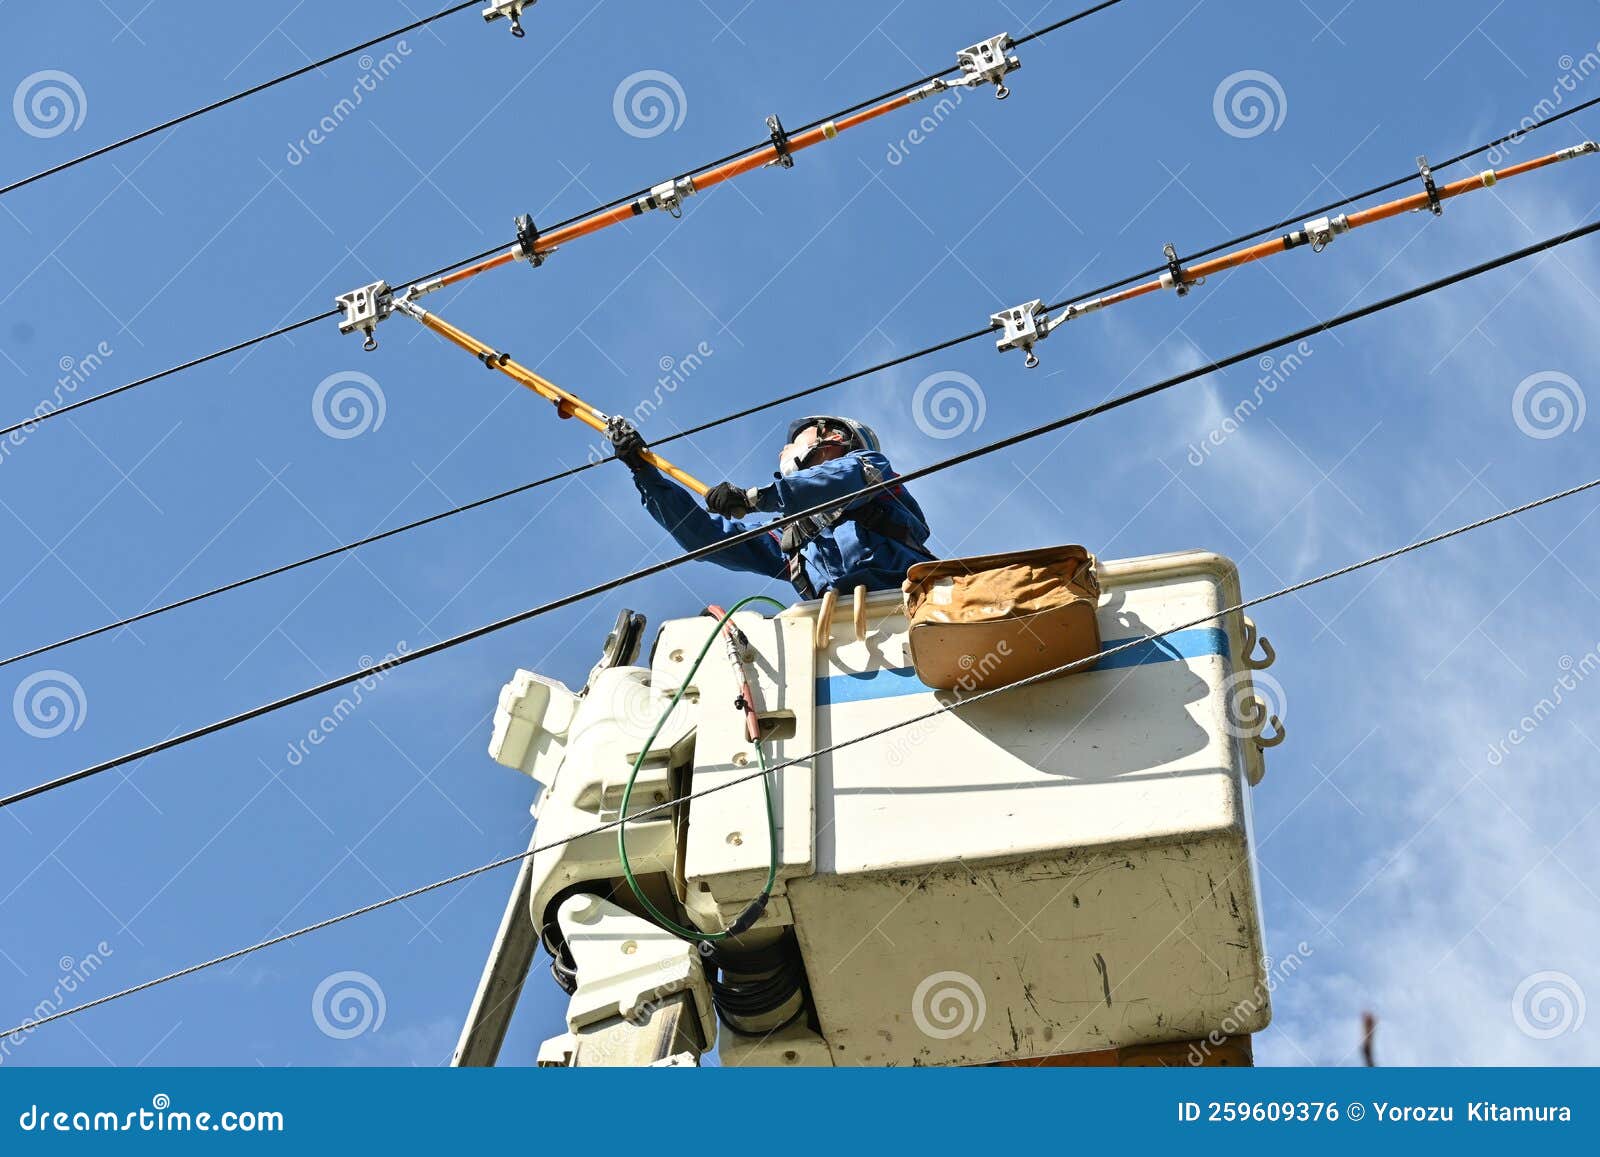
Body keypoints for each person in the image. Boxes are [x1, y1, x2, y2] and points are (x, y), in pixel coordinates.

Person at [606, 414, 935, 599]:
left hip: (913, 599)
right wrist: (643, 473)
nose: (783, 450)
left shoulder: (870, 468)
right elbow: (705, 538)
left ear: (834, 437)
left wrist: (753, 499)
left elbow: (840, 481)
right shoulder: (793, 538)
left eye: (795, 440)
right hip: (842, 628)